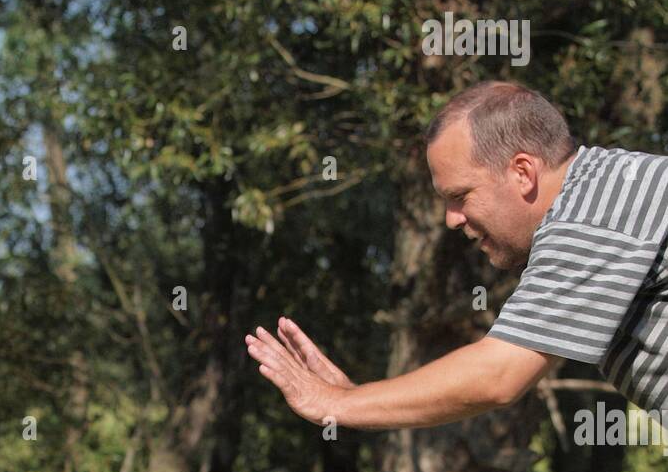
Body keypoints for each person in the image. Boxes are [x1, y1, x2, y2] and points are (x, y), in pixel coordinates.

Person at [245, 81, 668, 428]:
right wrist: (354, 398)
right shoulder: (603, 192)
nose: (451, 219)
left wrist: (333, 404)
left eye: (461, 196)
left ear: (522, 172)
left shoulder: (590, 210)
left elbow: (499, 375)